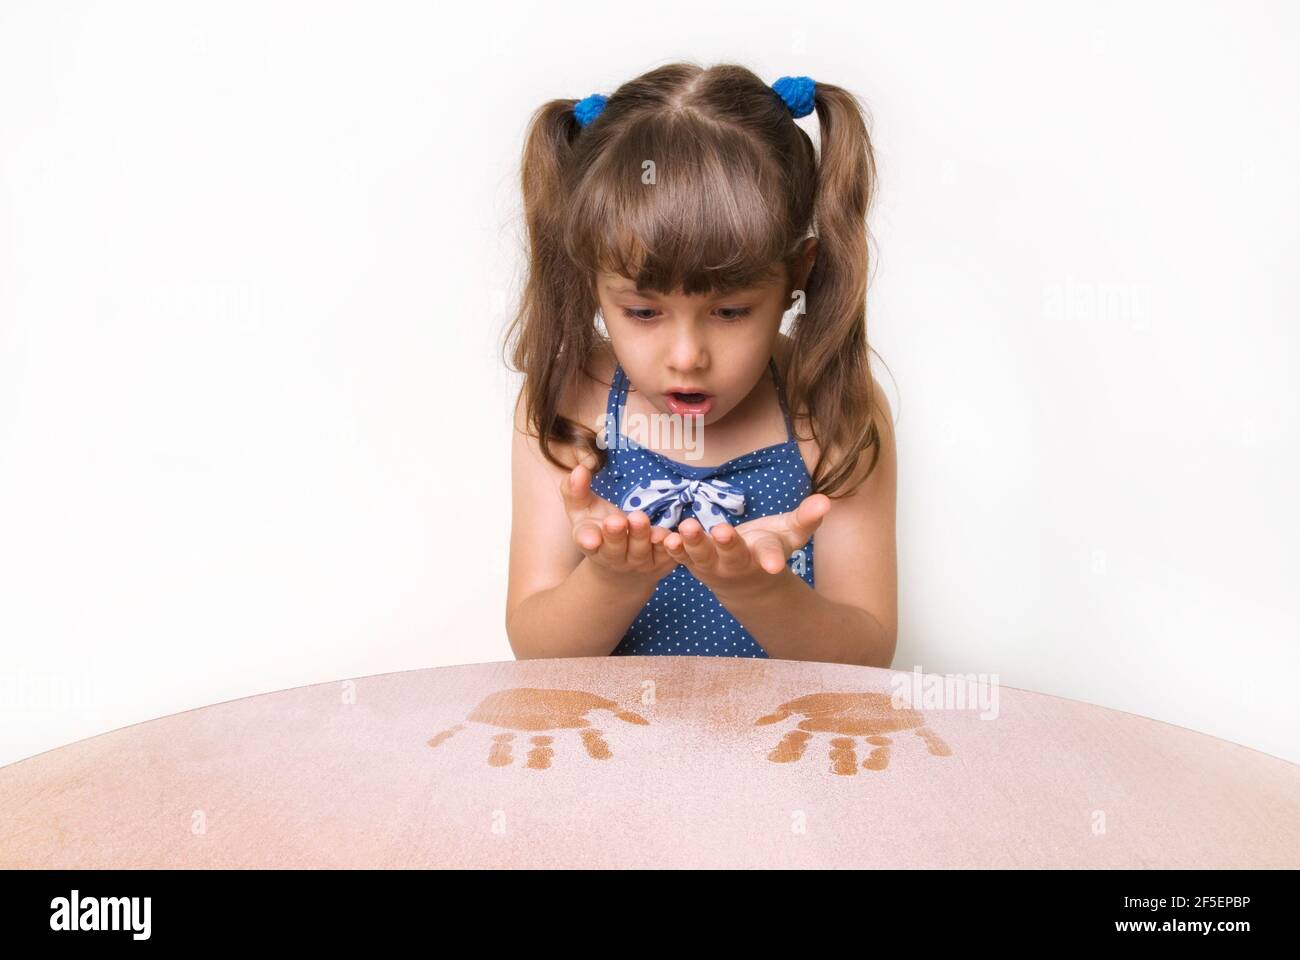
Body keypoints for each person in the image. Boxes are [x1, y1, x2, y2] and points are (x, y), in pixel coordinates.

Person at [504, 63, 897, 665]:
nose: (687, 357)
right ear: (591, 284)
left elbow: (866, 658)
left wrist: (759, 589)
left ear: (800, 274)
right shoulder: (569, 401)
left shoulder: (832, 402)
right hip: (617, 752)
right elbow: (536, 649)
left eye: (732, 311)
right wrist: (613, 578)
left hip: (781, 751)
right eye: (642, 312)